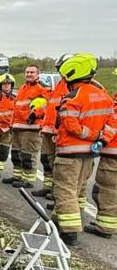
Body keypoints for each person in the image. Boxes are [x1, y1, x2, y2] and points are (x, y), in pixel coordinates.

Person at [52, 54, 113, 245]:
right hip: (89, 153)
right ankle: (58, 219)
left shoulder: (73, 97)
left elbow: (70, 124)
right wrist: (102, 139)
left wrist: (92, 135)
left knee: (65, 190)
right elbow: (111, 123)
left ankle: (69, 232)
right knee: (77, 188)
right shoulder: (104, 95)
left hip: (69, 153)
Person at [32, 54, 72, 199]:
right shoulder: (61, 84)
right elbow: (51, 105)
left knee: (59, 164)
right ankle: (48, 187)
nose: (61, 71)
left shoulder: (73, 86)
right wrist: (38, 113)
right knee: (47, 160)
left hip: (59, 132)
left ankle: (56, 191)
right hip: (48, 129)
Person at [3, 65, 50, 188]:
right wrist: (11, 124)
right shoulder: (23, 88)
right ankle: (17, 176)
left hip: (31, 128)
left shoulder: (42, 88)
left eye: (32, 72)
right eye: (27, 72)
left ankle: (28, 180)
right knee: (16, 154)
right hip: (18, 128)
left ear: (38, 74)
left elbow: (49, 104)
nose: (29, 74)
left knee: (28, 155)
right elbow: (17, 108)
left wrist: (36, 114)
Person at [85, 90, 117, 239]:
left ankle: (104, 227)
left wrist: (102, 139)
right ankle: (106, 223)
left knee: (106, 190)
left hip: (113, 154)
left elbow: (112, 124)